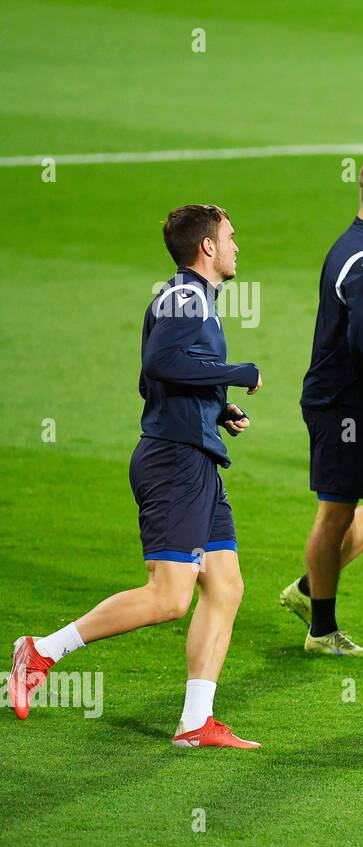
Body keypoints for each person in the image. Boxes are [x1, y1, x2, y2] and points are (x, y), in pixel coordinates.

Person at [10, 204, 263, 748]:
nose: (237, 246)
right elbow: (161, 366)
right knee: (169, 597)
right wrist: (237, 374)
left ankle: (195, 722)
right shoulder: (186, 298)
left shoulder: (190, 299)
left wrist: (217, 410)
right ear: (208, 248)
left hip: (196, 457)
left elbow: (158, 383)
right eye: (230, 237)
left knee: (224, 586)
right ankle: (42, 650)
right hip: (174, 463)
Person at [283, 157, 363, 656]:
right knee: (335, 512)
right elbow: (361, 343)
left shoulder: (353, 247)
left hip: (354, 402)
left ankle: (307, 587)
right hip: (343, 404)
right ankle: (321, 630)